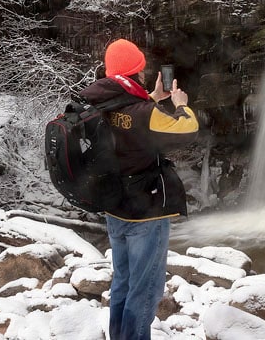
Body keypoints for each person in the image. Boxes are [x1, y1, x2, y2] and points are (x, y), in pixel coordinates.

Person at [79, 38, 199, 340]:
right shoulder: (144, 112)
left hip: (114, 209)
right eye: (141, 68)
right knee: (144, 288)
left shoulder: (99, 104)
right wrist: (181, 105)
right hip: (145, 213)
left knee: (123, 281)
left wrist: (152, 99)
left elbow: (127, 121)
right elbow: (186, 130)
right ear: (135, 72)